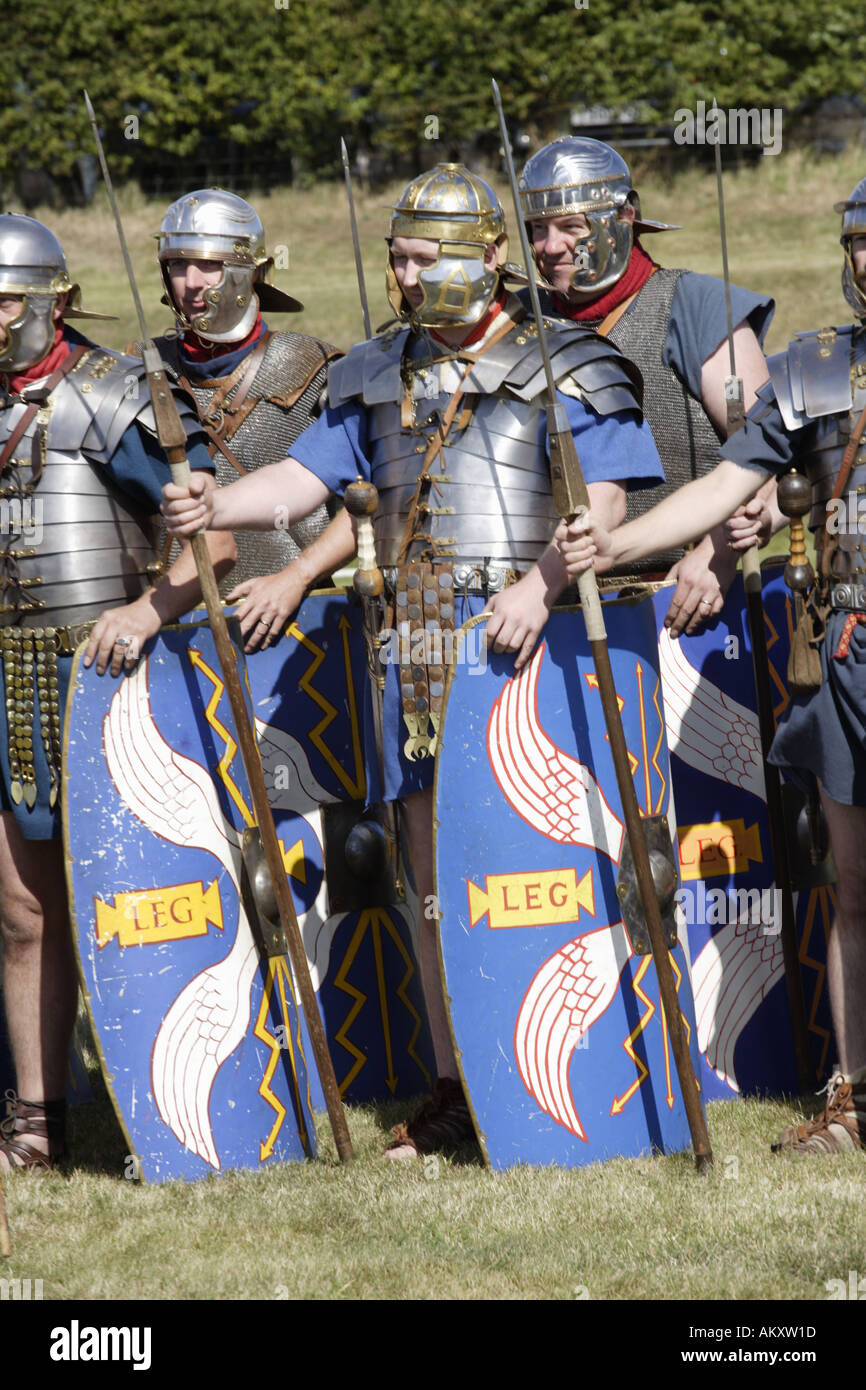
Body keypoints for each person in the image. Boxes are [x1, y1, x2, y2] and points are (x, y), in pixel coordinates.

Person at [162, 162, 665, 1159]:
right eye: (394, 255)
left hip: (532, 646)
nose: (400, 274)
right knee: (430, 880)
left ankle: (577, 1072)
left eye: (418, 256)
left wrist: (539, 584)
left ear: (486, 257)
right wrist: (216, 503)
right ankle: (457, 1093)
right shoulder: (373, 370)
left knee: (547, 869)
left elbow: (603, 502)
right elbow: (307, 478)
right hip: (414, 647)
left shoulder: (567, 361)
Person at [558, 177, 866, 1156]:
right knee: (850, 884)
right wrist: (616, 544)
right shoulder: (817, 368)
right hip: (853, 653)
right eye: (853, 241)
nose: (863, 260)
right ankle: (850, 1101)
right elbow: (730, 482)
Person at [0, 214, 235, 1171]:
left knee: (137, 900)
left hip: (107, 678)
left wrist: (147, 612)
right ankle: (37, 1118)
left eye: (6, 297)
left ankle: (164, 1112)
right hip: (7, 677)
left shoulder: (108, 393)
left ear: (52, 298)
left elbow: (211, 539)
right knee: (20, 912)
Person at [519, 136, 776, 635]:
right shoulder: (523, 322)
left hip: (680, 600)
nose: (550, 247)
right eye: (537, 229)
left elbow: (769, 458)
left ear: (625, 217)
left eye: (572, 227)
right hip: (543, 608)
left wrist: (715, 555)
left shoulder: (694, 305)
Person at [152, 188, 339, 648]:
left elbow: (365, 501)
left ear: (252, 272)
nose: (191, 282)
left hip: (295, 620)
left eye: (210, 265)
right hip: (173, 629)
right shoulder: (138, 373)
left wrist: (300, 574)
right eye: (178, 265)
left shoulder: (315, 366)